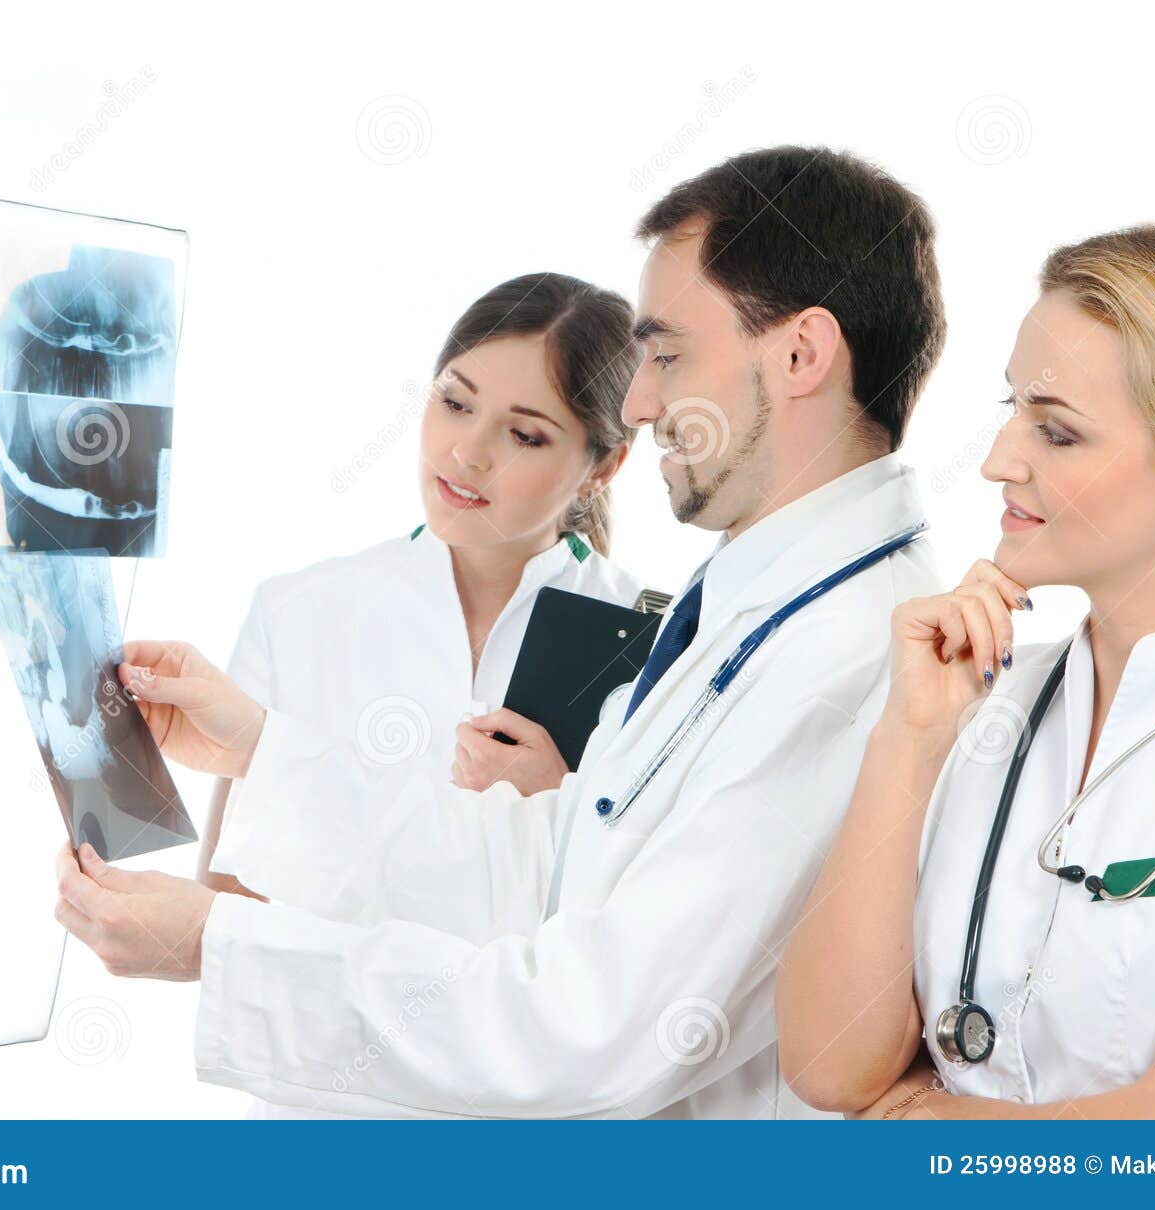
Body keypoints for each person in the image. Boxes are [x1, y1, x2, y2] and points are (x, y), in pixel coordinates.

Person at [54, 145, 947, 1118]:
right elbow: (537, 869)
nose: (641, 403)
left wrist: (219, 947)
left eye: (668, 355)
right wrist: (260, 752)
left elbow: (595, 1025)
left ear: (802, 355)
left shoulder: (845, 648)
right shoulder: (752, 607)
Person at [776, 221, 1155, 1120]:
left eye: (1058, 433)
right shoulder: (975, 697)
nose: (998, 462)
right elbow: (829, 1068)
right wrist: (909, 737)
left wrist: (926, 1116)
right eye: (1013, 411)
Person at [200, 273, 649, 911]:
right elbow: (222, 912)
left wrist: (564, 808)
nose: (468, 453)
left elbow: (654, 926)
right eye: (456, 403)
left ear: (602, 467)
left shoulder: (659, 650)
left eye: (524, 436)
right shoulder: (298, 613)